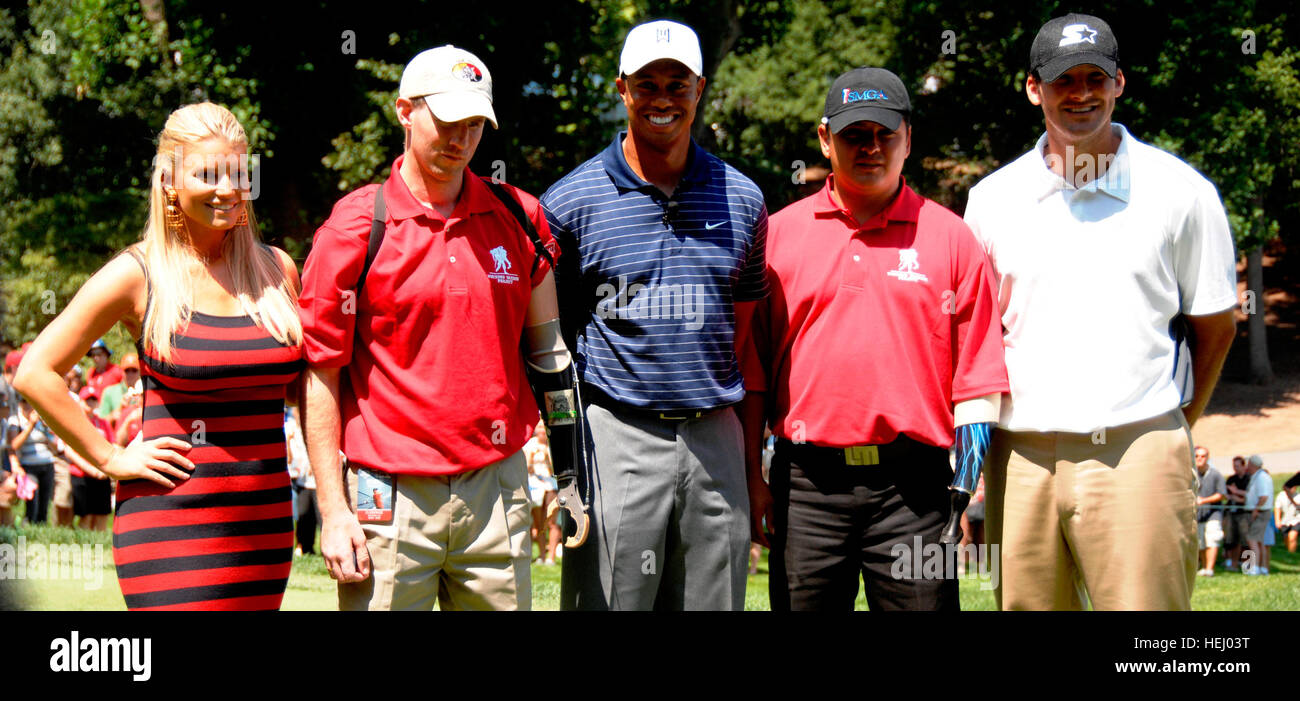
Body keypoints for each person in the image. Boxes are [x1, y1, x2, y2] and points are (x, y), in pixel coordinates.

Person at [963, 13, 1238, 610]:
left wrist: (1176, 423)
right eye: (1064, 80)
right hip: (1021, 454)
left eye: (1095, 78)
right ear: (1035, 89)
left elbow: (1216, 324)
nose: (1081, 93)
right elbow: (977, 337)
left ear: (1120, 83)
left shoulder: (1181, 193)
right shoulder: (989, 202)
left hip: (1139, 449)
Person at [299, 45, 567, 611]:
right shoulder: (354, 228)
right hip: (386, 495)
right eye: (447, 120)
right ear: (404, 110)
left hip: (498, 488)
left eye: (474, 124)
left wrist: (567, 470)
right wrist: (332, 508)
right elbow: (320, 375)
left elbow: (551, 357)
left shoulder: (520, 216)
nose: (461, 139)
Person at [12, 102, 304, 610]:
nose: (226, 188)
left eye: (237, 172)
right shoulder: (137, 273)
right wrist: (110, 458)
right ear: (169, 180)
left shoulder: (277, 270)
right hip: (171, 525)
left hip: (266, 529)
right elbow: (36, 373)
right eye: (207, 173)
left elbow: (307, 390)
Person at [740, 67, 1008, 610]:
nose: (871, 148)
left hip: (916, 491)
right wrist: (753, 476)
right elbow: (753, 375)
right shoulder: (778, 235)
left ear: (908, 138)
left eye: (886, 134)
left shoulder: (952, 238)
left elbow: (976, 379)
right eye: (854, 135)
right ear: (824, 139)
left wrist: (964, 491)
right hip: (807, 485)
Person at [540, 20, 768, 610]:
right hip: (615, 432)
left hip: (715, 432)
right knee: (608, 601)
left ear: (700, 88)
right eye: (646, 83)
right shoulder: (569, 202)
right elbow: (550, 335)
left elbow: (742, 326)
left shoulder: (742, 198)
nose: (662, 98)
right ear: (621, 89)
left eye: (677, 82)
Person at [6, 396, 61, 524]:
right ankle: (29, 526)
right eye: (24, 402)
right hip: (29, 465)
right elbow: (14, 445)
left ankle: (41, 528)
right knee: (32, 501)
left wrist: (45, 429)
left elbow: (55, 446)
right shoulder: (16, 421)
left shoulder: (42, 420)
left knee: (44, 503)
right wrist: (30, 425)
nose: (27, 405)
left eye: (30, 402)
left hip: (47, 463)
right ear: (19, 403)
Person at [523, 420, 561, 565]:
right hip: (535, 487)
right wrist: (531, 456)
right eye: (539, 427)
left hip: (551, 486)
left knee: (552, 522)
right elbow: (528, 469)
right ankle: (542, 557)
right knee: (538, 524)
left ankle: (551, 557)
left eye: (543, 427)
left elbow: (554, 471)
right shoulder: (530, 444)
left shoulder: (553, 445)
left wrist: (546, 455)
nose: (541, 430)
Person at [1193, 445, 1226, 576]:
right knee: (1201, 542)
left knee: (1212, 540)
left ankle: (1210, 569)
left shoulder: (1216, 474)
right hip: (1199, 515)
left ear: (1207, 458)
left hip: (1213, 514)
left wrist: (1204, 500)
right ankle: (1205, 567)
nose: (1200, 459)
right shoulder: (1193, 475)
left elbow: (1222, 494)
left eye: (1203, 456)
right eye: (1197, 456)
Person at [1242, 455, 1273, 575]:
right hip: (1259, 511)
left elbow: (1264, 496)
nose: (1247, 466)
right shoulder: (1257, 476)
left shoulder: (1261, 477)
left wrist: (1255, 510)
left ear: (1252, 465)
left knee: (1252, 539)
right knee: (1259, 541)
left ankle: (1254, 567)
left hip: (1260, 512)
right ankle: (1262, 567)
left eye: (1248, 464)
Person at [1223, 455, 1250, 569]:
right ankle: (1233, 564)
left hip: (1244, 513)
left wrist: (1236, 493)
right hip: (1231, 512)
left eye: (1238, 466)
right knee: (1233, 540)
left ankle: (1249, 565)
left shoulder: (1249, 479)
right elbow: (1226, 494)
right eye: (1234, 466)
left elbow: (1250, 496)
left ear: (1244, 466)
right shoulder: (1231, 479)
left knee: (1247, 541)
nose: (1235, 468)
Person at [1275, 481, 1300, 554]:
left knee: (1292, 537)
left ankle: (1292, 555)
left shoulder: (1298, 496)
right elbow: (1277, 508)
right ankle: (1288, 553)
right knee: (1287, 539)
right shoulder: (1281, 496)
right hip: (1285, 521)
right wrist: (1277, 520)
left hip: (1297, 520)